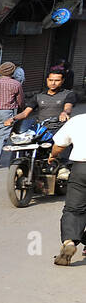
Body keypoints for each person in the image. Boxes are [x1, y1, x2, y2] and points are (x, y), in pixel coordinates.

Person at [51, 112, 86, 266]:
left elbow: (59, 146)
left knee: (73, 208)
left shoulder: (78, 120)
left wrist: (52, 155)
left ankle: (69, 242)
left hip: (81, 168)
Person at [10, 68, 75, 139]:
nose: (53, 83)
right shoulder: (39, 96)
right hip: (40, 129)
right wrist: (13, 118)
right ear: (47, 80)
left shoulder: (68, 94)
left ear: (62, 81)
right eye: (50, 80)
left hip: (59, 129)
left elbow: (68, 108)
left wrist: (64, 113)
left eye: (57, 80)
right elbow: (25, 113)